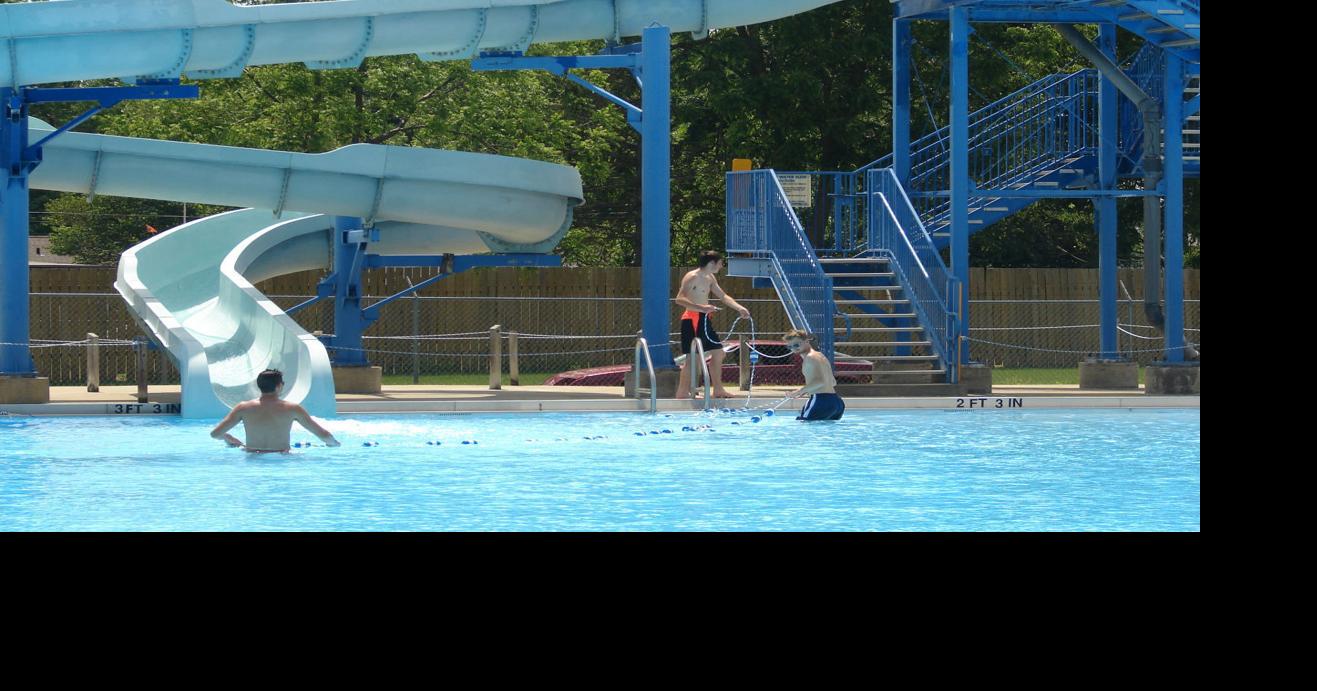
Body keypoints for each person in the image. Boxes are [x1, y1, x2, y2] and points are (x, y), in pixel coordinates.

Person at [673, 250, 750, 399]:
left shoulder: (710, 277)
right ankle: (682, 392)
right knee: (692, 358)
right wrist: (702, 308)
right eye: (720, 263)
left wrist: (739, 308)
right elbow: (679, 299)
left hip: (704, 318)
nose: (721, 266)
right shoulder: (692, 276)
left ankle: (718, 390)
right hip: (692, 319)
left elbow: (723, 296)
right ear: (711, 263)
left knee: (718, 353)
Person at [210, 369, 341, 452]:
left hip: (252, 457)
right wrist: (335, 444)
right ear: (279, 386)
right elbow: (324, 436)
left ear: (259, 386)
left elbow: (215, 434)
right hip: (281, 457)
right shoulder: (292, 408)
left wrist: (228, 437)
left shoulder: (243, 407)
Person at [784, 329, 845, 421]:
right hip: (836, 402)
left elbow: (821, 381)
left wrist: (798, 392)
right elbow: (832, 382)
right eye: (789, 346)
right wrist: (807, 390)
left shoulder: (810, 358)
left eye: (796, 345)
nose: (793, 348)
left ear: (806, 341)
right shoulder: (820, 355)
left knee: (804, 427)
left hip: (820, 401)